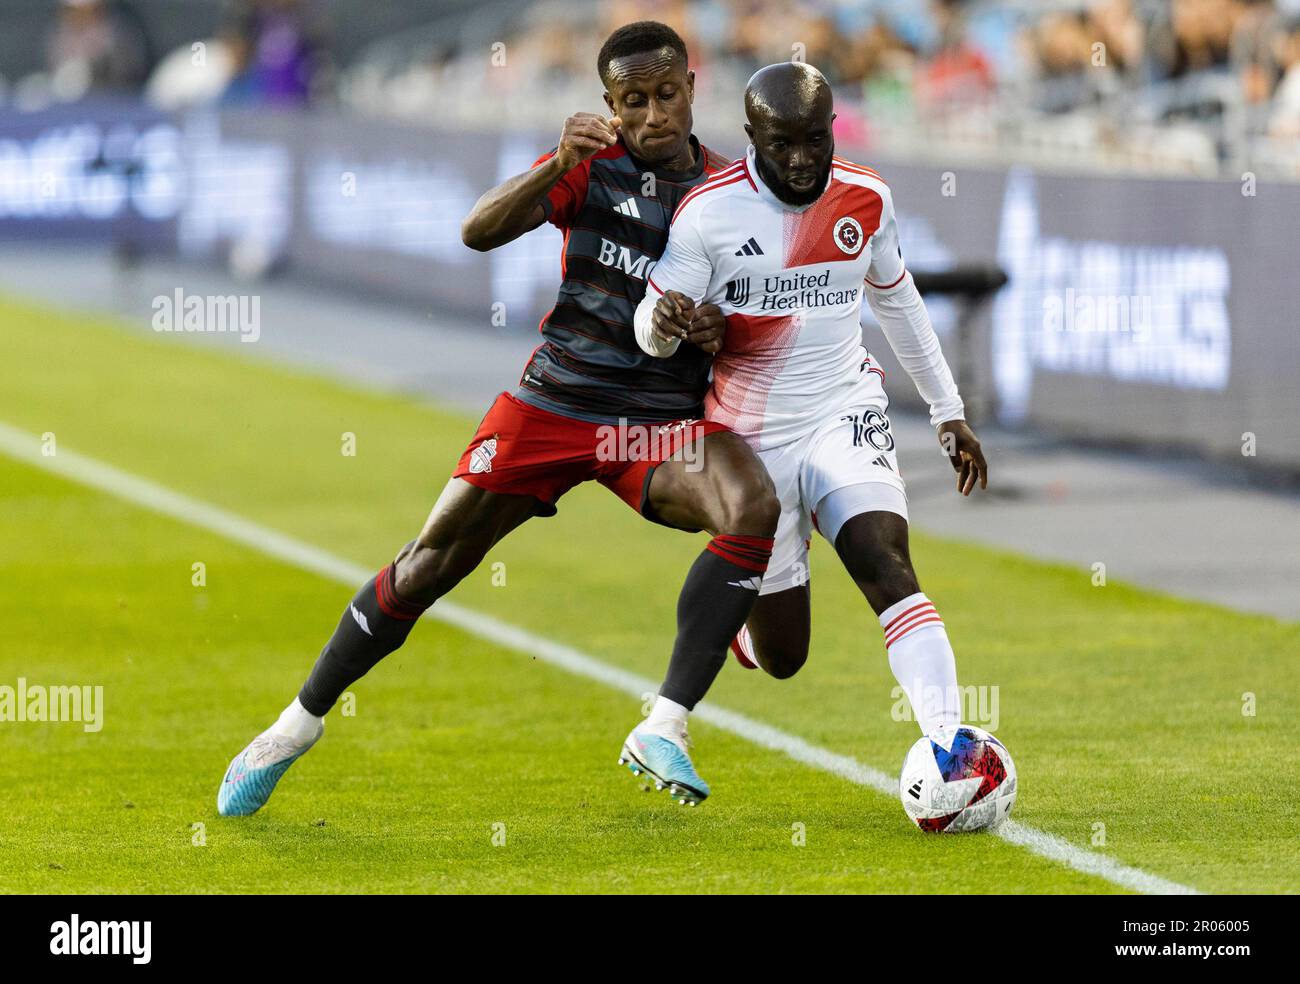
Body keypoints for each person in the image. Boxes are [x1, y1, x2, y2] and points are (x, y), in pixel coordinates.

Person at [216, 22, 778, 816]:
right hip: (553, 405)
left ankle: (666, 722)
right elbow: (478, 230)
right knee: (427, 565)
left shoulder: (730, 193)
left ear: (693, 85)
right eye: (632, 101)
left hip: (652, 425)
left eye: (665, 95)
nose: (653, 115)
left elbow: (748, 314)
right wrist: (556, 164)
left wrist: (720, 327)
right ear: (608, 105)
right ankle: (294, 725)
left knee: (752, 506)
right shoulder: (591, 168)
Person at [634, 61, 989, 767]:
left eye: (815, 141)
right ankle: (747, 627)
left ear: (834, 129)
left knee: (884, 558)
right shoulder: (709, 213)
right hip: (754, 437)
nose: (801, 161)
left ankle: (950, 745)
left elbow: (898, 302)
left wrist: (948, 411)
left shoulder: (866, 198)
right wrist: (665, 322)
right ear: (750, 136)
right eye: (782, 144)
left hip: (844, 406)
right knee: (784, 655)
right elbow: (650, 326)